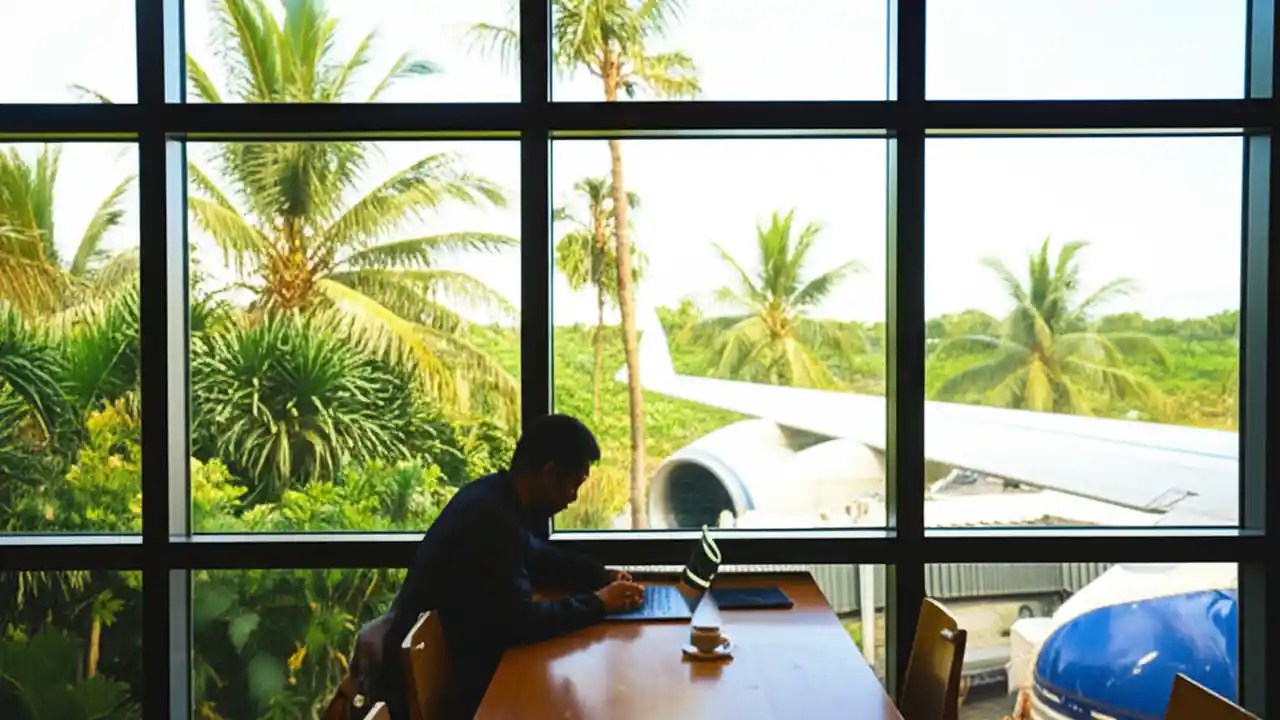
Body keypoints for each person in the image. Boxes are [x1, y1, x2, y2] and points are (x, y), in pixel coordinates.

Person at [375, 414, 644, 719]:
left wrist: (599, 575)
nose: (573, 498)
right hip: (459, 698)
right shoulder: (489, 520)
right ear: (550, 473)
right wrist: (599, 603)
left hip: (458, 675)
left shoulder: (494, 497)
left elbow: (537, 555)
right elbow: (521, 622)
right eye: (574, 485)